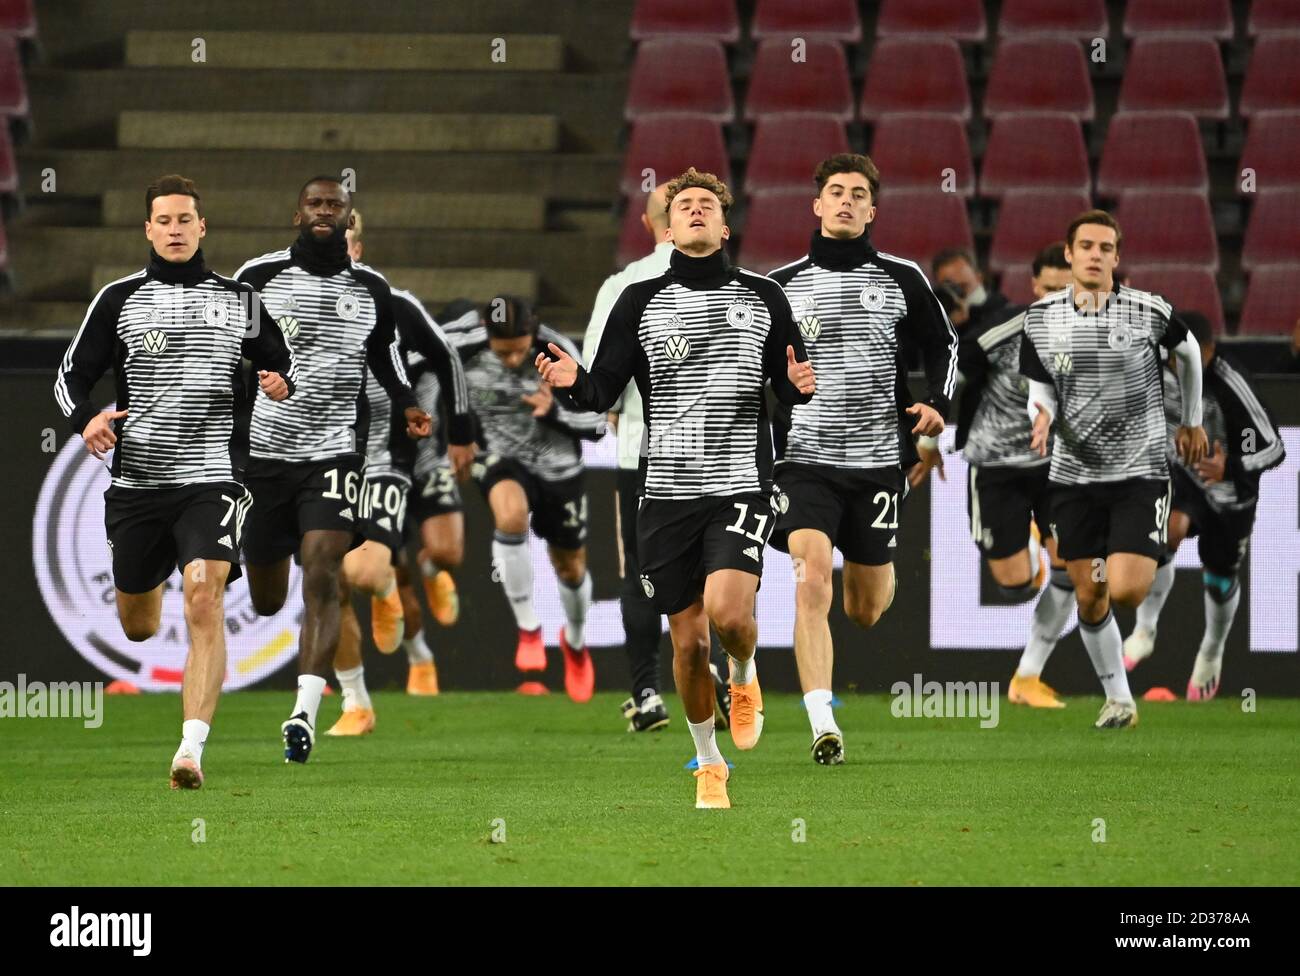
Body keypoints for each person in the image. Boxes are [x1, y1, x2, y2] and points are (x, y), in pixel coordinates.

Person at [538, 167, 816, 809]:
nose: (694, 212)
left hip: (739, 486)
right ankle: (710, 765)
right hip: (663, 492)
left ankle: (744, 673)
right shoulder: (638, 300)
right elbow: (603, 389)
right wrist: (572, 381)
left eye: (706, 205)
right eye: (683, 205)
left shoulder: (767, 298)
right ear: (667, 228)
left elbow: (789, 388)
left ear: (725, 225)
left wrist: (800, 389)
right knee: (688, 644)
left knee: (727, 613)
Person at [54, 174, 297, 788]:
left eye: (185, 219)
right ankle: (151, 575)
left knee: (204, 596)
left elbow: (279, 359)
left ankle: (190, 749)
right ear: (148, 229)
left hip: (213, 478)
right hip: (138, 483)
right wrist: (88, 420)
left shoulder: (240, 299)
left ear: (202, 226)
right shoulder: (117, 300)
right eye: (163, 221)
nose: (175, 230)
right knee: (138, 620)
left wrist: (277, 381)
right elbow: (70, 379)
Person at [766, 153, 957, 764]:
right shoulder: (779, 286)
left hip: (879, 464)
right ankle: (822, 720)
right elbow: (757, 366)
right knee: (811, 578)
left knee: (867, 609)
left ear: (872, 210)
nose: (845, 201)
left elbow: (944, 345)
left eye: (857, 194)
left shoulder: (902, 277)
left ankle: (866, 574)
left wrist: (936, 404)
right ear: (816, 205)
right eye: (835, 192)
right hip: (803, 462)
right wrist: (783, 381)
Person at [234, 176, 430, 763]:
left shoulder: (371, 287)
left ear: (349, 220)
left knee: (323, 570)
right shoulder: (257, 278)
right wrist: (256, 380)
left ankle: (306, 713)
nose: (325, 212)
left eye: (335, 206)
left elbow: (386, 355)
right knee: (269, 598)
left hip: (335, 451)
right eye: (315, 204)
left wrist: (408, 403)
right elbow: (229, 349)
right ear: (297, 214)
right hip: (265, 457)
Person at [1021, 209, 1208, 729]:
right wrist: (1041, 416)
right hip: (1072, 477)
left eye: (1106, 248)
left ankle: (1138, 601)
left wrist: (1191, 421)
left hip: (1139, 472)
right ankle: (1119, 700)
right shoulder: (1042, 319)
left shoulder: (1148, 311)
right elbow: (1039, 386)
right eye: (1087, 246)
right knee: (1090, 591)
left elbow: (1189, 351)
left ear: (1117, 258)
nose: (1096, 255)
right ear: (1069, 253)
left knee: (1125, 587)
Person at [582, 183, 731, 733]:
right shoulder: (737, 284)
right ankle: (714, 665)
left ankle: (647, 691)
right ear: (664, 223)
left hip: (643, 451)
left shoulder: (623, 284)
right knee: (716, 568)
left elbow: (599, 373)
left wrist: (613, 408)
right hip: (719, 453)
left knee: (642, 572)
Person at [325, 211, 475, 735]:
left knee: (396, 565)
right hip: (327, 460)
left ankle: (397, 578)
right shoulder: (289, 302)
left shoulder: (396, 304)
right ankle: (357, 700)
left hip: (397, 457)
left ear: (358, 249)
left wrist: (461, 431)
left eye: (341, 242)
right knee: (326, 578)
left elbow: (448, 357)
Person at [927, 243, 1079, 707]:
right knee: (1014, 586)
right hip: (996, 465)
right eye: (1049, 289)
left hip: (1056, 466)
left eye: (1065, 289)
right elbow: (954, 372)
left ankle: (1027, 677)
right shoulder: (1007, 328)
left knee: (1073, 567)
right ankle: (1030, 535)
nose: (1057, 298)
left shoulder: (1098, 332)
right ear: (1034, 288)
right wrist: (928, 437)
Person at [445, 295, 604, 700]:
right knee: (510, 515)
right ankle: (529, 627)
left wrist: (556, 414)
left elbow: (600, 421)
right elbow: (420, 367)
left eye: (519, 351)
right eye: (503, 353)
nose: (513, 360)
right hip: (500, 457)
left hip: (557, 465)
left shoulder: (558, 351)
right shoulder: (459, 344)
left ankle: (576, 639)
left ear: (532, 336)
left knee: (570, 567)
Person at [1123, 311, 1285, 699]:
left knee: (1220, 574)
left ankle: (1211, 651)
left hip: (1228, 492)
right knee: (1166, 531)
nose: (1184, 365)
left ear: (1210, 351)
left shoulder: (1231, 383)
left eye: (1194, 355)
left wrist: (1232, 463)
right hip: (1178, 474)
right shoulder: (1152, 366)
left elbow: (1271, 447)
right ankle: (1145, 628)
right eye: (1178, 356)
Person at [932, 246, 1010, 333]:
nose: (957, 296)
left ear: (979, 277)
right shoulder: (936, 323)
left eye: (963, 286)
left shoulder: (1003, 311)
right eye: (951, 289)